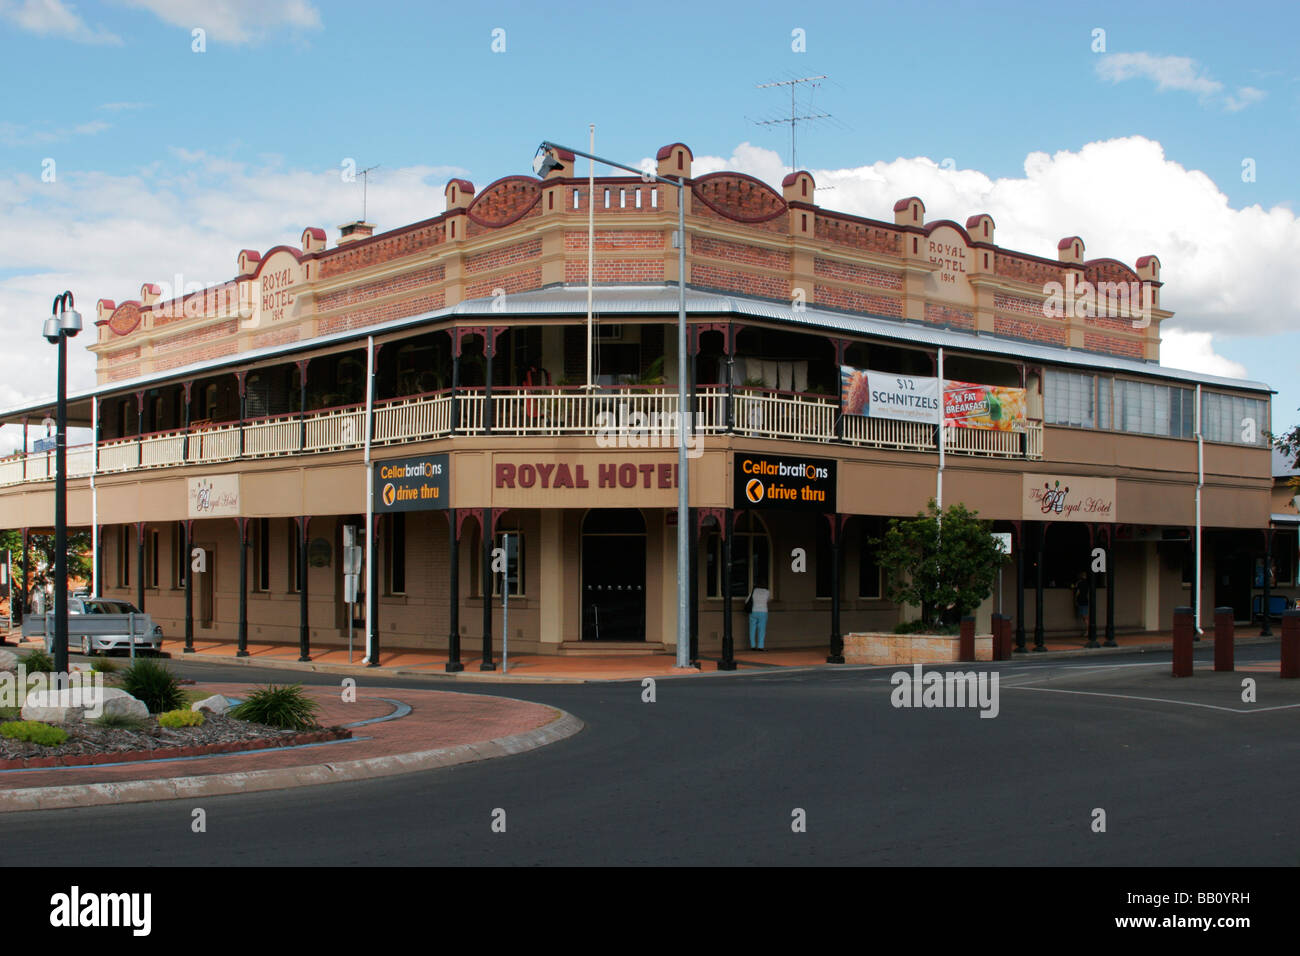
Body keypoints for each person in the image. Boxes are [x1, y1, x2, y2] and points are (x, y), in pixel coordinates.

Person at [746, 583, 770, 650]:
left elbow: (747, 601)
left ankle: (753, 646)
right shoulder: (767, 592)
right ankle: (760, 646)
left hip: (753, 611)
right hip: (763, 611)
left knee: (752, 629)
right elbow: (768, 600)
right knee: (761, 630)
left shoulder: (753, 591)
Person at [1072, 571, 1090, 638]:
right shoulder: (1087, 583)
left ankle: (1088, 631)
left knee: (1085, 617)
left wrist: (1075, 600)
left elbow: (1077, 592)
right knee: (1085, 616)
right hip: (1085, 600)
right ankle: (1088, 630)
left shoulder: (1079, 583)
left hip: (1081, 600)